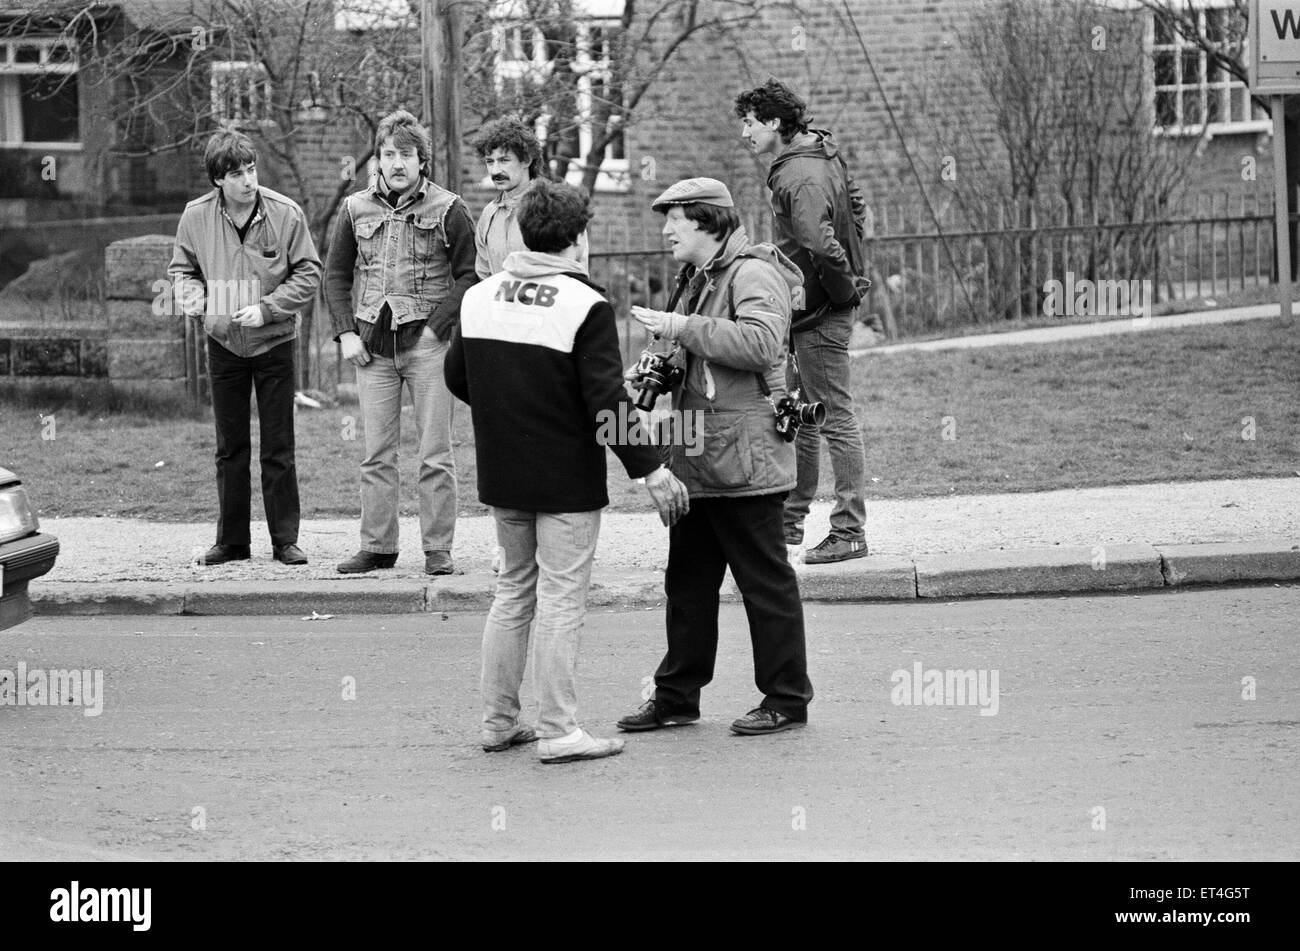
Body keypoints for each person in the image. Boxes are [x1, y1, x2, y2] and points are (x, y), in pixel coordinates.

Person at [445, 179, 689, 764]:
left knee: (512, 592)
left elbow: (458, 376)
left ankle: (498, 722)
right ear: (578, 239)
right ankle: (558, 730)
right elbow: (606, 402)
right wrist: (650, 471)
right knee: (560, 600)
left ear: (523, 232)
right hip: (565, 479)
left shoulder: (478, 298)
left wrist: (511, 406)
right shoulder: (585, 305)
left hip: (503, 470)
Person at [616, 177, 814, 737]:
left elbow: (760, 344)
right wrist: (661, 366)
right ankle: (676, 697)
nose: (666, 230)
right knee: (686, 587)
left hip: (746, 461)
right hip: (699, 455)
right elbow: (703, 361)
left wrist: (682, 327)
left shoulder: (752, 273)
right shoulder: (698, 277)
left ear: (706, 221)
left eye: (675, 219)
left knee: (764, 586)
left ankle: (786, 699)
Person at [325, 110, 478, 576]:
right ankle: (377, 547)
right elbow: (335, 275)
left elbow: (470, 275)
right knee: (376, 454)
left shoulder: (448, 208)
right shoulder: (355, 208)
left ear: (421, 161)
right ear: (377, 159)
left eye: (406, 155)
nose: (396, 163)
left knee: (435, 453)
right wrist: (345, 332)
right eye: (388, 154)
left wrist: (436, 329)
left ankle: (437, 549)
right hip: (371, 350)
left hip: (427, 349)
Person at [168, 129, 322, 567]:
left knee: (278, 446)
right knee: (230, 447)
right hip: (224, 345)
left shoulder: (285, 213)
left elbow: (309, 272)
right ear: (218, 179)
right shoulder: (195, 216)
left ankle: (285, 541)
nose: (248, 180)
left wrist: (268, 309)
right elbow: (181, 270)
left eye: (251, 170)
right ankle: (232, 542)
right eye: (236, 174)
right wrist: (199, 304)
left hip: (274, 343)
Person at [735, 78, 871, 564]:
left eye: (750, 123)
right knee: (803, 416)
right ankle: (790, 520)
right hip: (806, 308)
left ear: (774, 122)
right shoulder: (820, 154)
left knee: (834, 417)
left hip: (819, 313)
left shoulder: (799, 174)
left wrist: (839, 292)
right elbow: (857, 210)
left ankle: (849, 531)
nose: (745, 134)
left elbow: (820, 243)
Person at [471, 115, 588, 279]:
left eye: (504, 160)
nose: (495, 170)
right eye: (490, 161)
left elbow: (575, 272)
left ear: (526, 160)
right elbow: (483, 275)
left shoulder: (554, 208)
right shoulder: (489, 215)